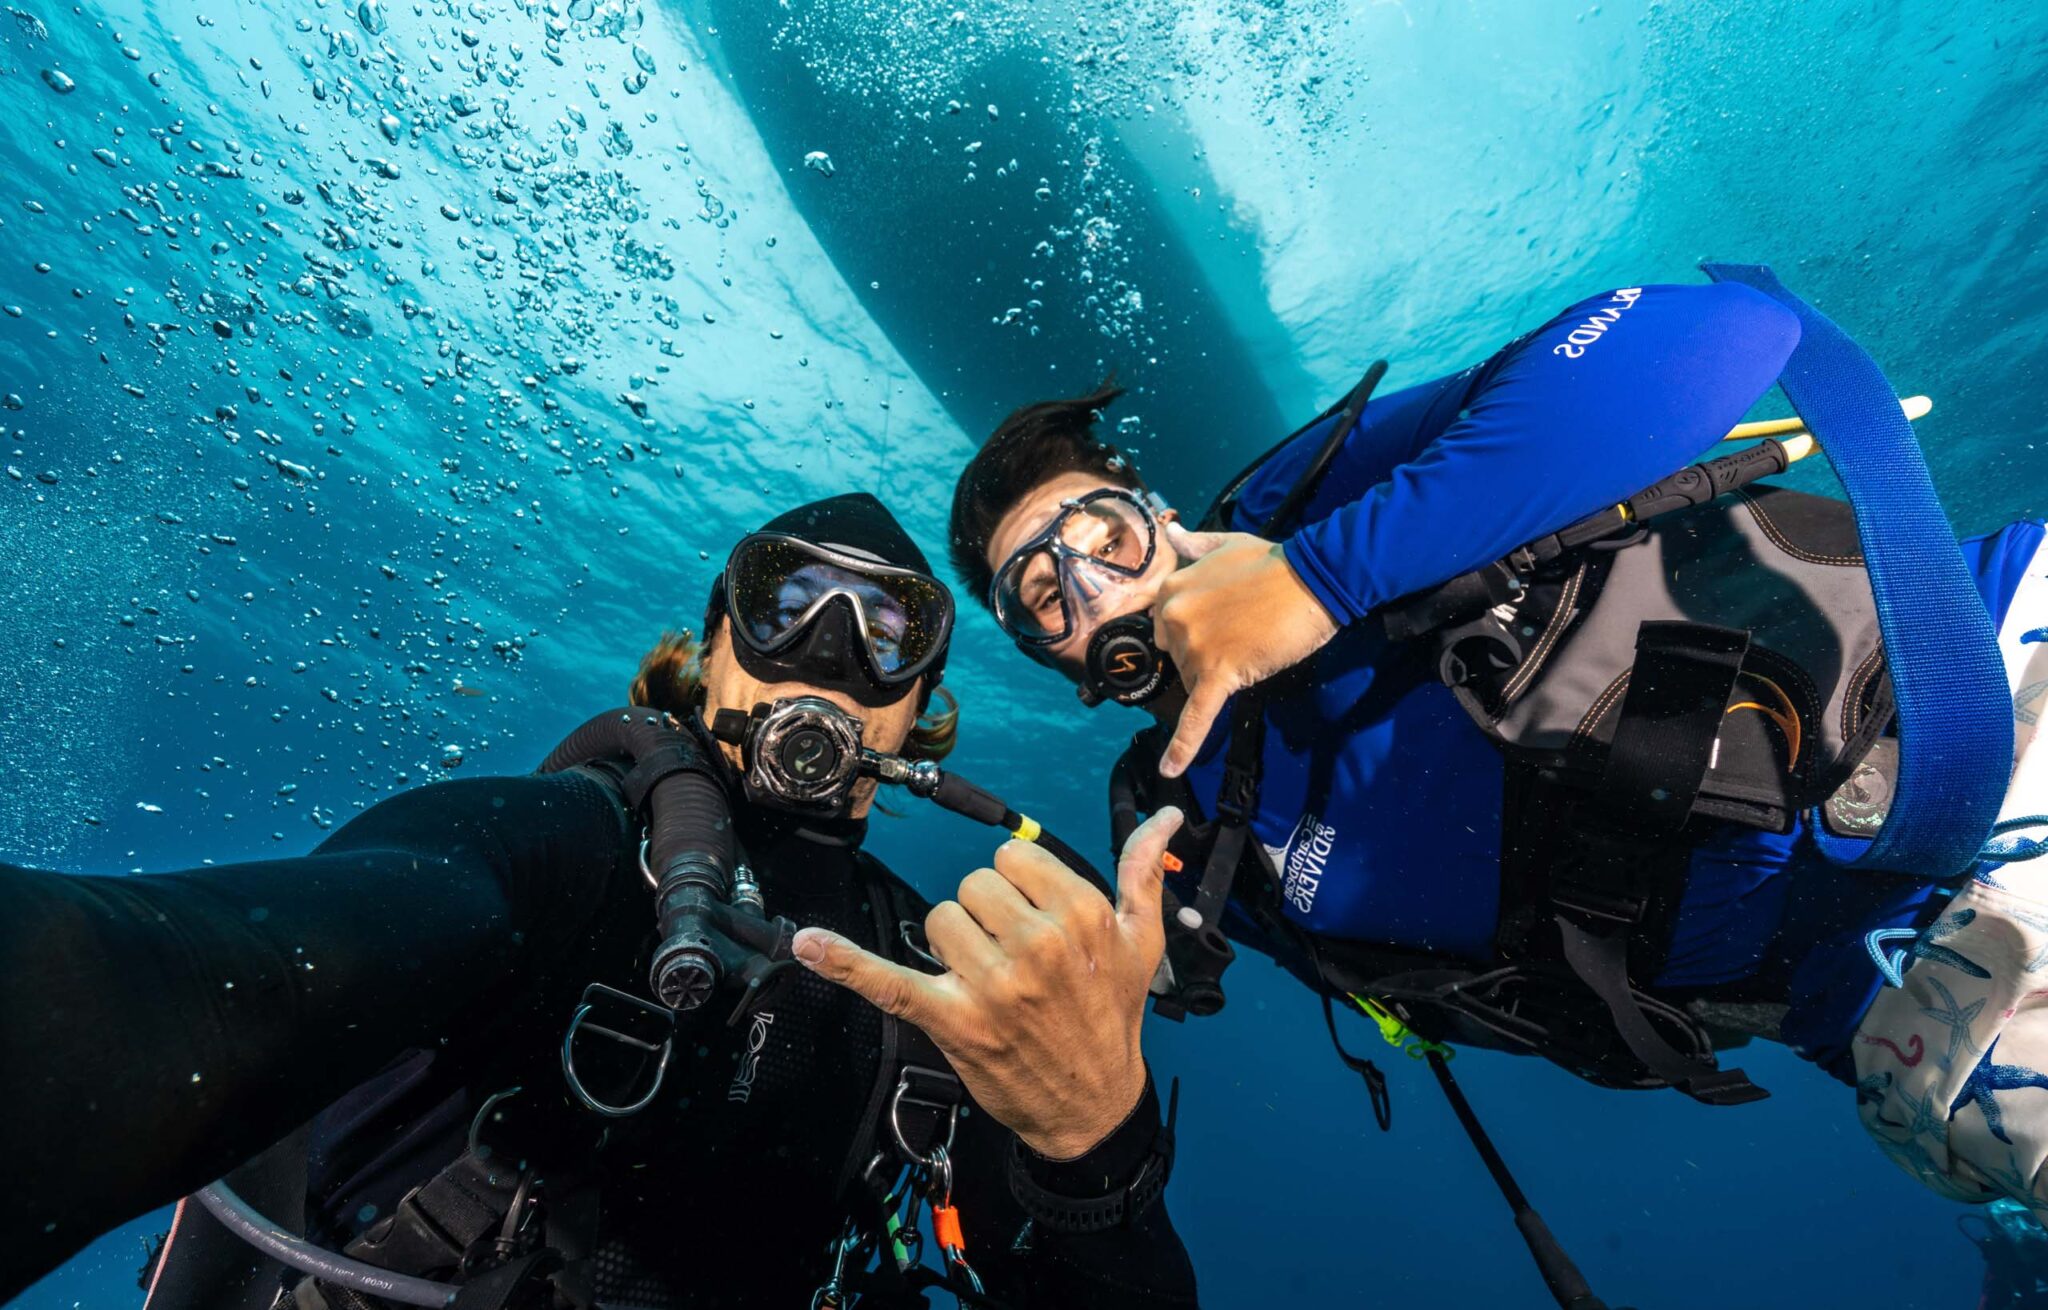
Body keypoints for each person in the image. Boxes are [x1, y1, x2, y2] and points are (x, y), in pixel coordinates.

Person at [947, 267, 2048, 1225]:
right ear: (1055, 662)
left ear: (1158, 512)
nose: (1097, 584)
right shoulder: (1187, 833)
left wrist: (1319, 573)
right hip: (1887, 1000)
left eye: (1106, 534)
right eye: (1046, 593)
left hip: (1990, 691)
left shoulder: (1312, 501)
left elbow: (1728, 330)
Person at [0, 493, 1199, 1309]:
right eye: (786, 606)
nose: (829, 653)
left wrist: (1094, 1139)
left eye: (886, 630)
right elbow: (205, 983)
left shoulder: (933, 1000)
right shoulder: (566, 842)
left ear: (921, 702)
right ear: (715, 645)